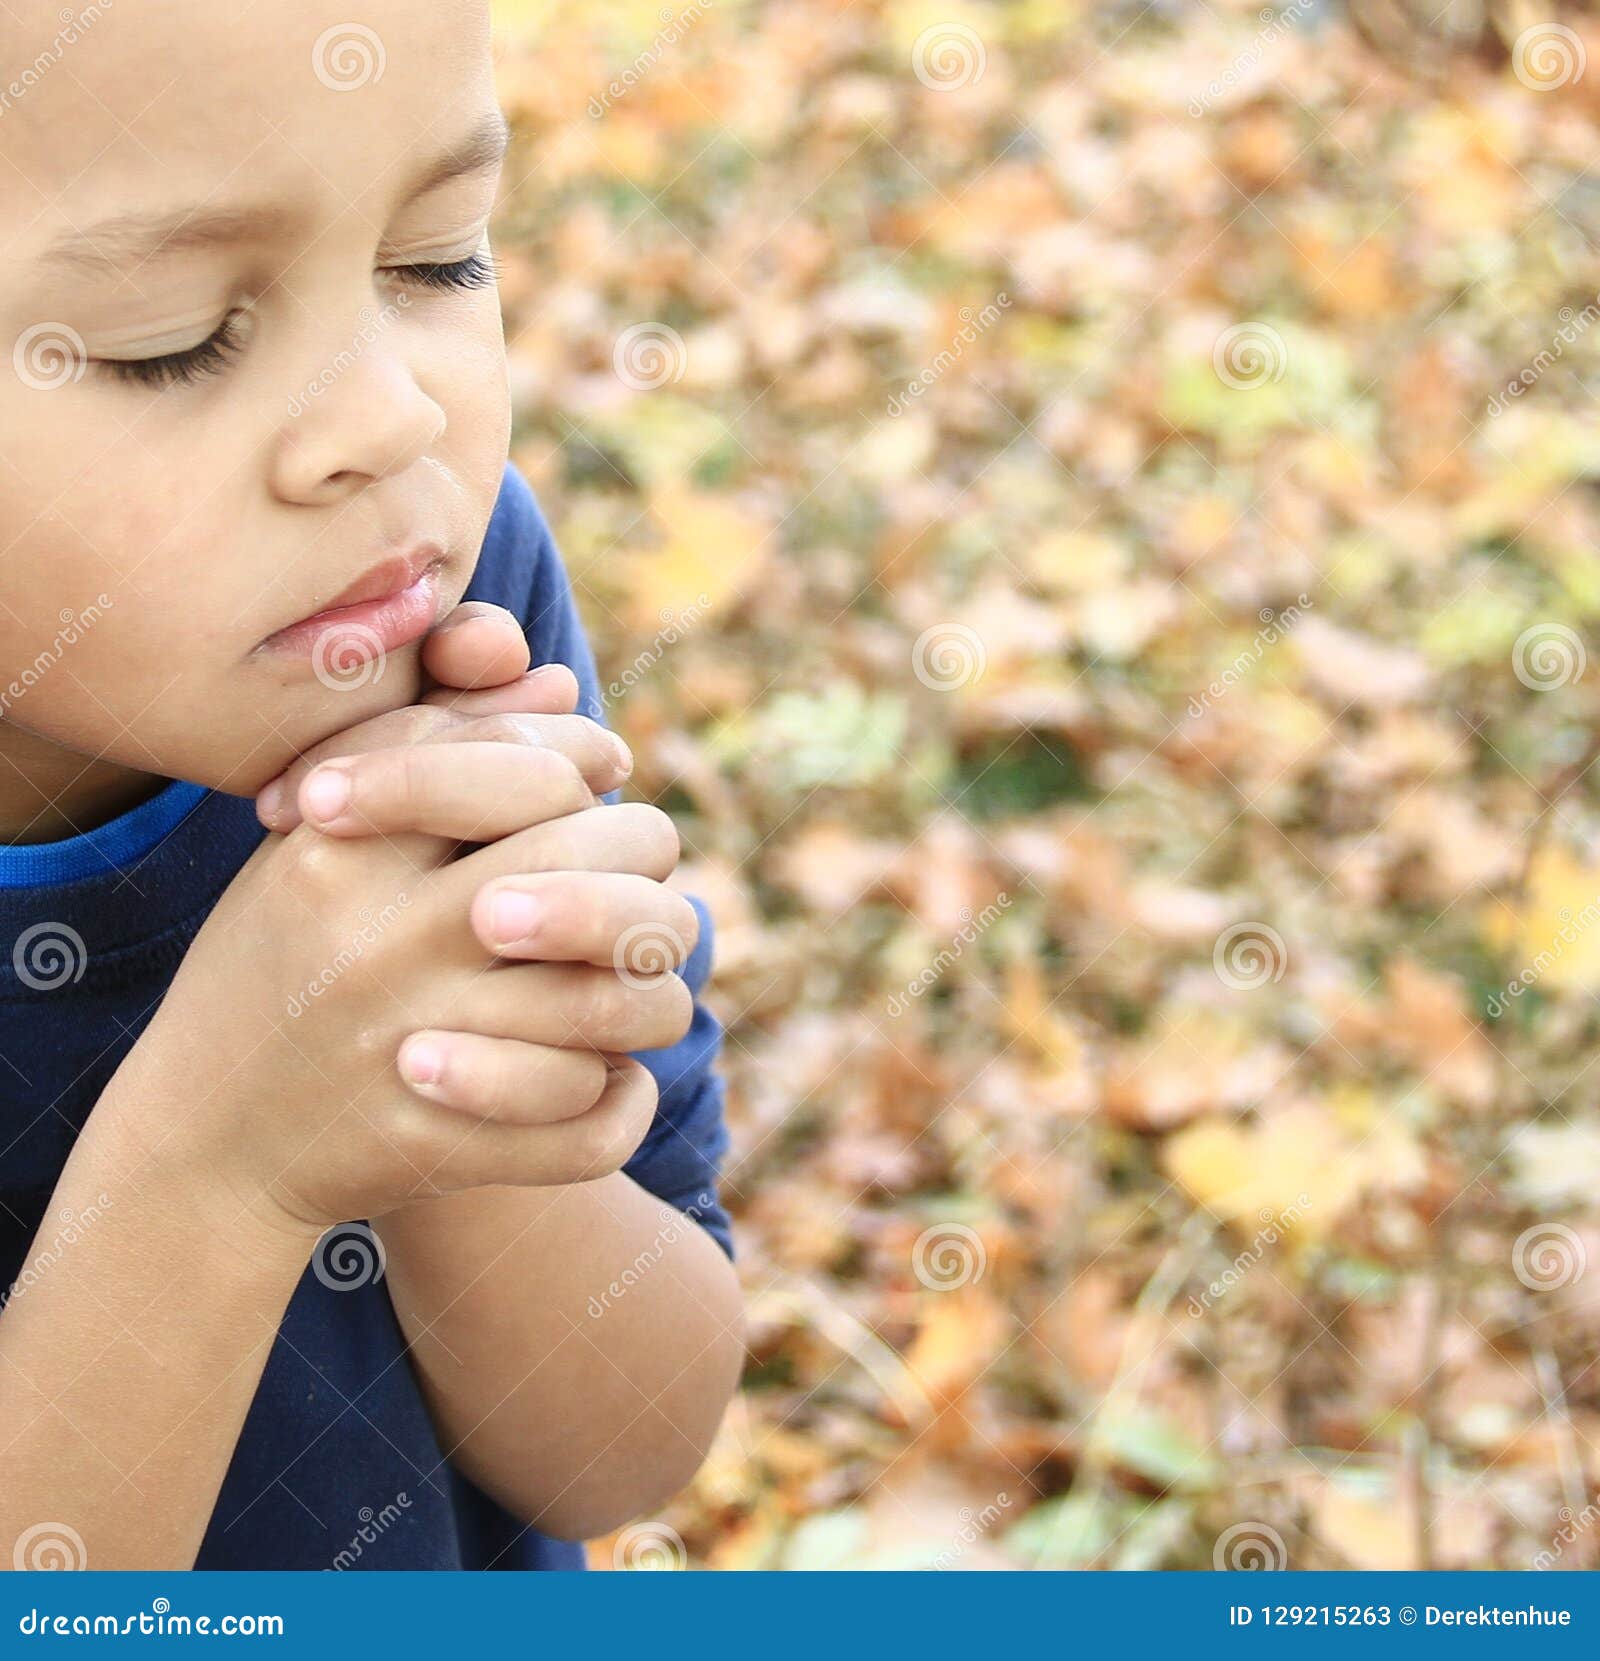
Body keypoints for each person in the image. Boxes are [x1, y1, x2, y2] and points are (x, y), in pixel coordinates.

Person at [0, 0, 742, 1570]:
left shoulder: (429, 602)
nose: (389, 418)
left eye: (438, 257)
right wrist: (223, 1159)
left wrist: (443, 1066)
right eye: (172, 335)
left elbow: (624, 1447)